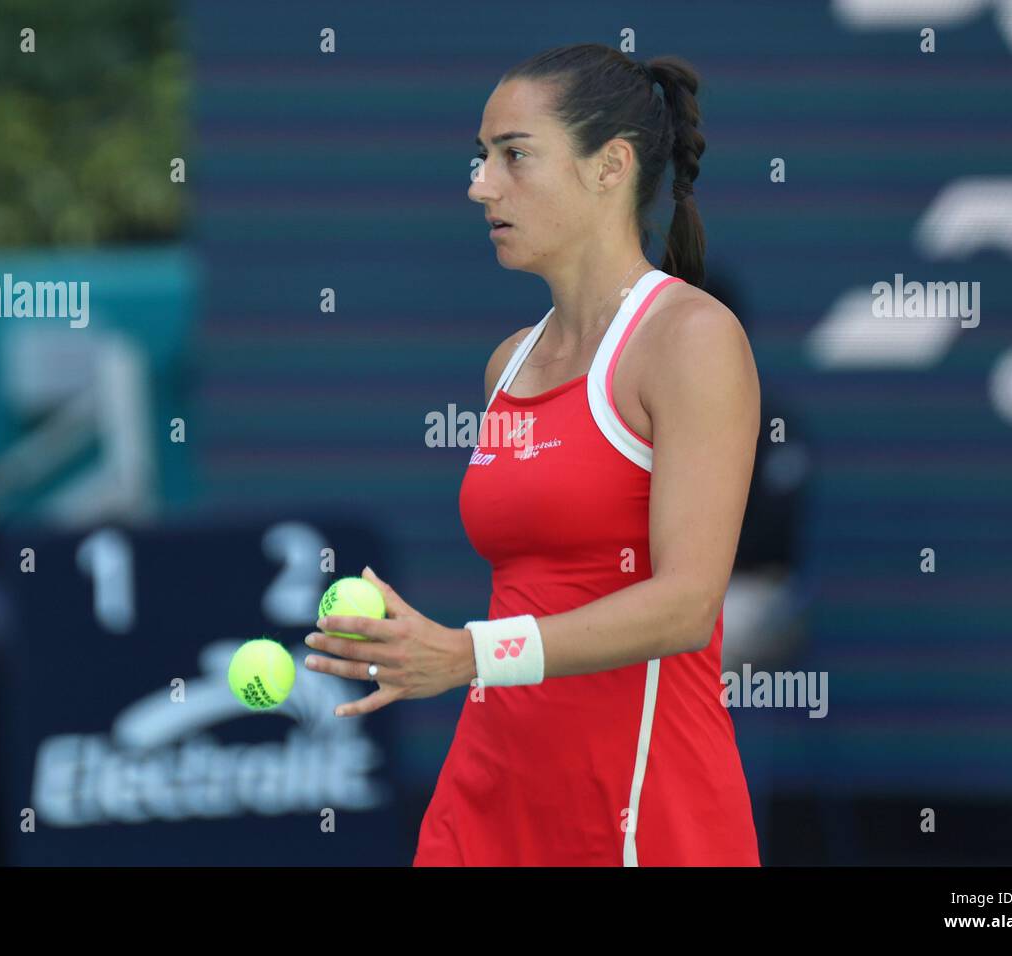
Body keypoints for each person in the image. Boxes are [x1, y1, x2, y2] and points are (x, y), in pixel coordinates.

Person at [303, 44, 761, 866]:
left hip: (634, 810)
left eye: (514, 156)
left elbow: (688, 605)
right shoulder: (508, 362)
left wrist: (467, 652)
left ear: (609, 166)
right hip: (490, 790)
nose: (482, 185)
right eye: (481, 159)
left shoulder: (692, 340)